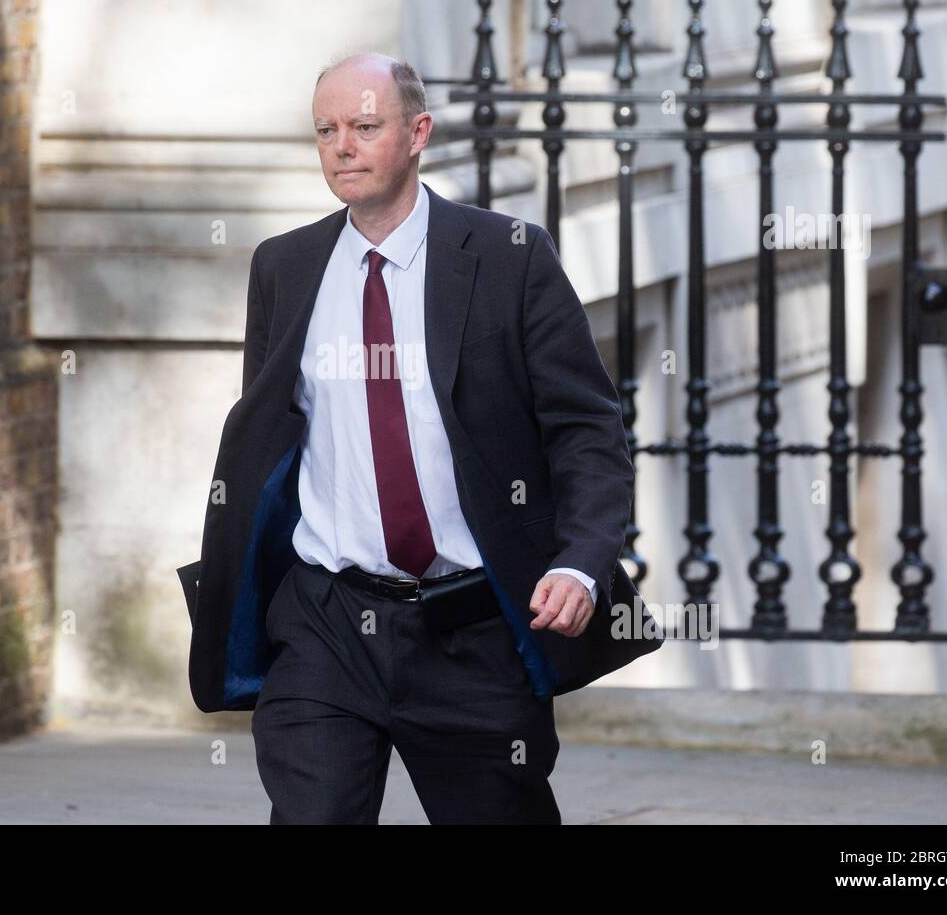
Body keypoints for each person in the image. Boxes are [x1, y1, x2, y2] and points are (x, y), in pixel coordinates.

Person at [177, 52, 661, 824]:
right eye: (327, 129)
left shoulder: (509, 257)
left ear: (417, 133)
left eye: (366, 126)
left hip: (469, 626)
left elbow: (586, 428)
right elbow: (265, 441)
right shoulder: (285, 267)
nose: (343, 146)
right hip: (325, 622)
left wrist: (581, 560)